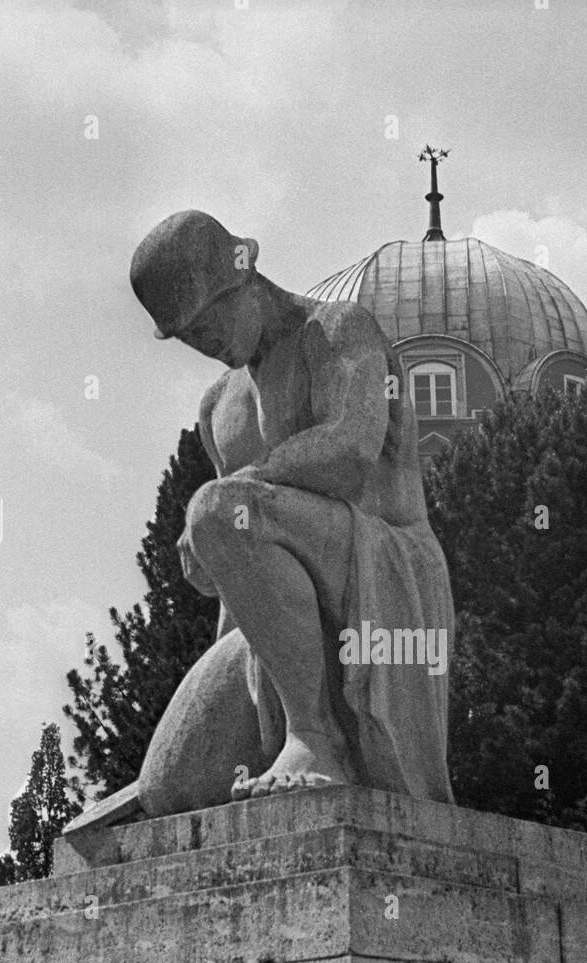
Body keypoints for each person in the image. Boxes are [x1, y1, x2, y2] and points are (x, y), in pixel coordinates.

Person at [127, 209, 454, 814]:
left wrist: (223, 512)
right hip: (287, 606)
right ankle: (292, 725)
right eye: (191, 337)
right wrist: (218, 554)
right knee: (168, 787)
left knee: (218, 510)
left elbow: (351, 454)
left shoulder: (338, 331)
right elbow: (245, 552)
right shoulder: (219, 405)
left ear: (245, 270)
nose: (210, 344)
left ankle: (317, 737)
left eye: (210, 321)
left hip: (380, 560)